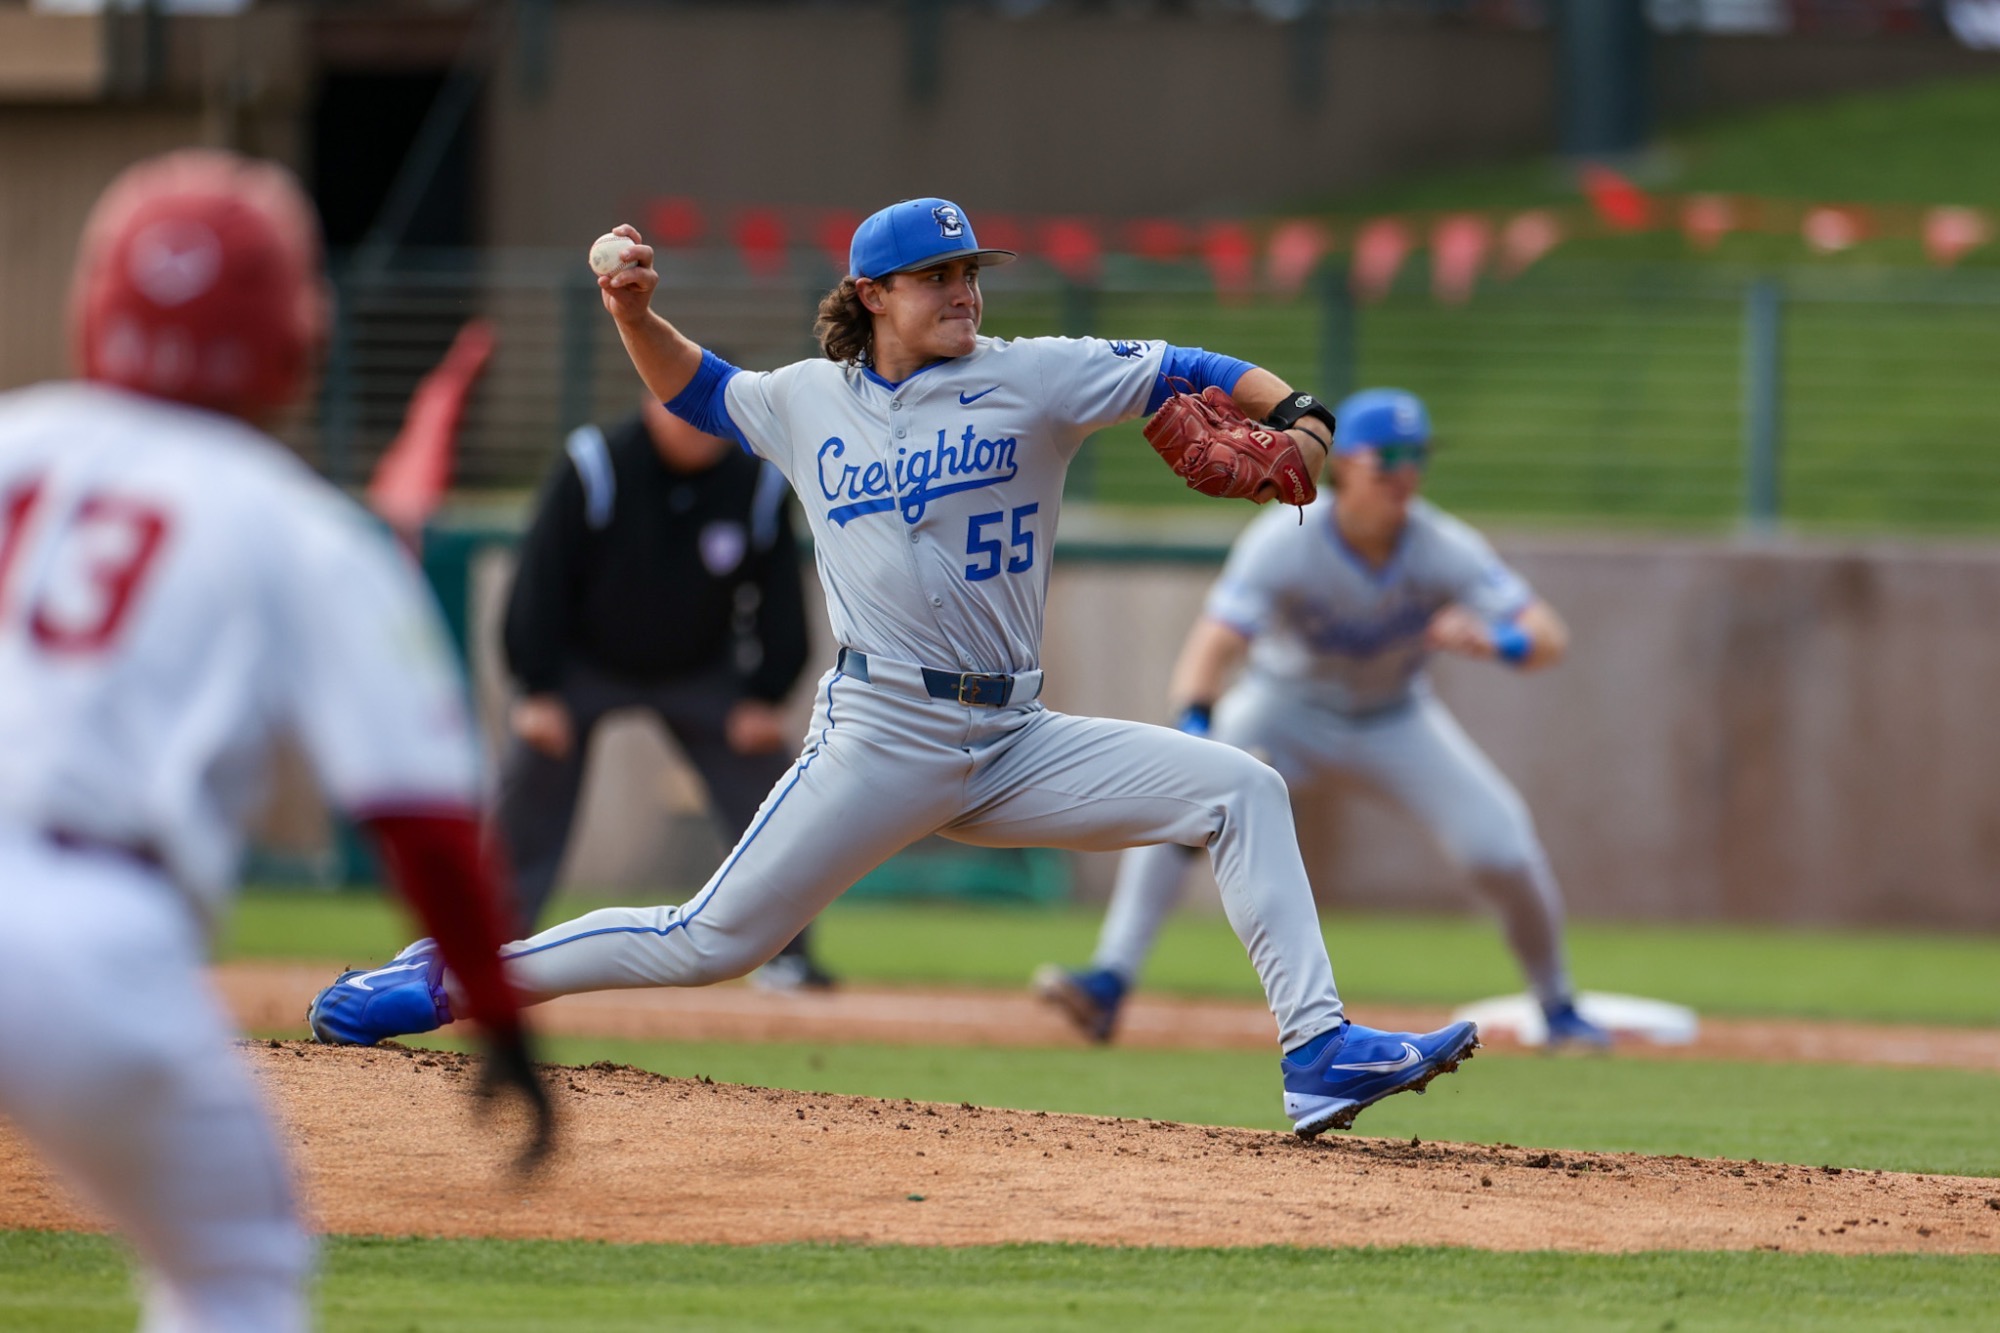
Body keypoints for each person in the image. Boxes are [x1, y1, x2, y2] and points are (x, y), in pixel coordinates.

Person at [309, 198, 1479, 1138]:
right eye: (938, 277)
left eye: (971, 272)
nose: (965, 292)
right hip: (883, 731)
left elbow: (1192, 361)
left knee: (1240, 790)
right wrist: (629, 304)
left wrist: (1308, 421)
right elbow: (696, 388)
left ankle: (1316, 1052)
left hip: (1014, 738)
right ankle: (451, 977)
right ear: (872, 295)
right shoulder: (807, 399)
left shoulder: (1037, 374)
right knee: (712, 942)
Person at [0, 149, 549, 1333]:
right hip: (93, 938)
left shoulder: (14, 438)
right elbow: (423, 819)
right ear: (294, 332)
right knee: (233, 1274)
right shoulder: (297, 526)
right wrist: (497, 1017)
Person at [1034, 388, 1611, 1049]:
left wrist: (1499, 642)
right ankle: (1109, 980)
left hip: (1395, 717)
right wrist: (1196, 728)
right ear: (1344, 466)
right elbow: (1213, 644)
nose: (1405, 472)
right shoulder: (1288, 536)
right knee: (1180, 802)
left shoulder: (1440, 544)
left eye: (1416, 456)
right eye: (1387, 457)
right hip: (1285, 706)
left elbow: (1549, 634)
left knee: (1501, 846)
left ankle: (1559, 1008)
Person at [496, 395, 833, 987]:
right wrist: (537, 686)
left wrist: (765, 694)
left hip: (699, 668)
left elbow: (781, 598)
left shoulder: (754, 483)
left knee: (775, 785)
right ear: (652, 403)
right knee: (532, 775)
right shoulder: (595, 464)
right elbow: (541, 576)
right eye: (683, 407)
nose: (699, 426)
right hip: (585, 662)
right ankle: (487, 946)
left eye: (711, 414)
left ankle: (786, 955)